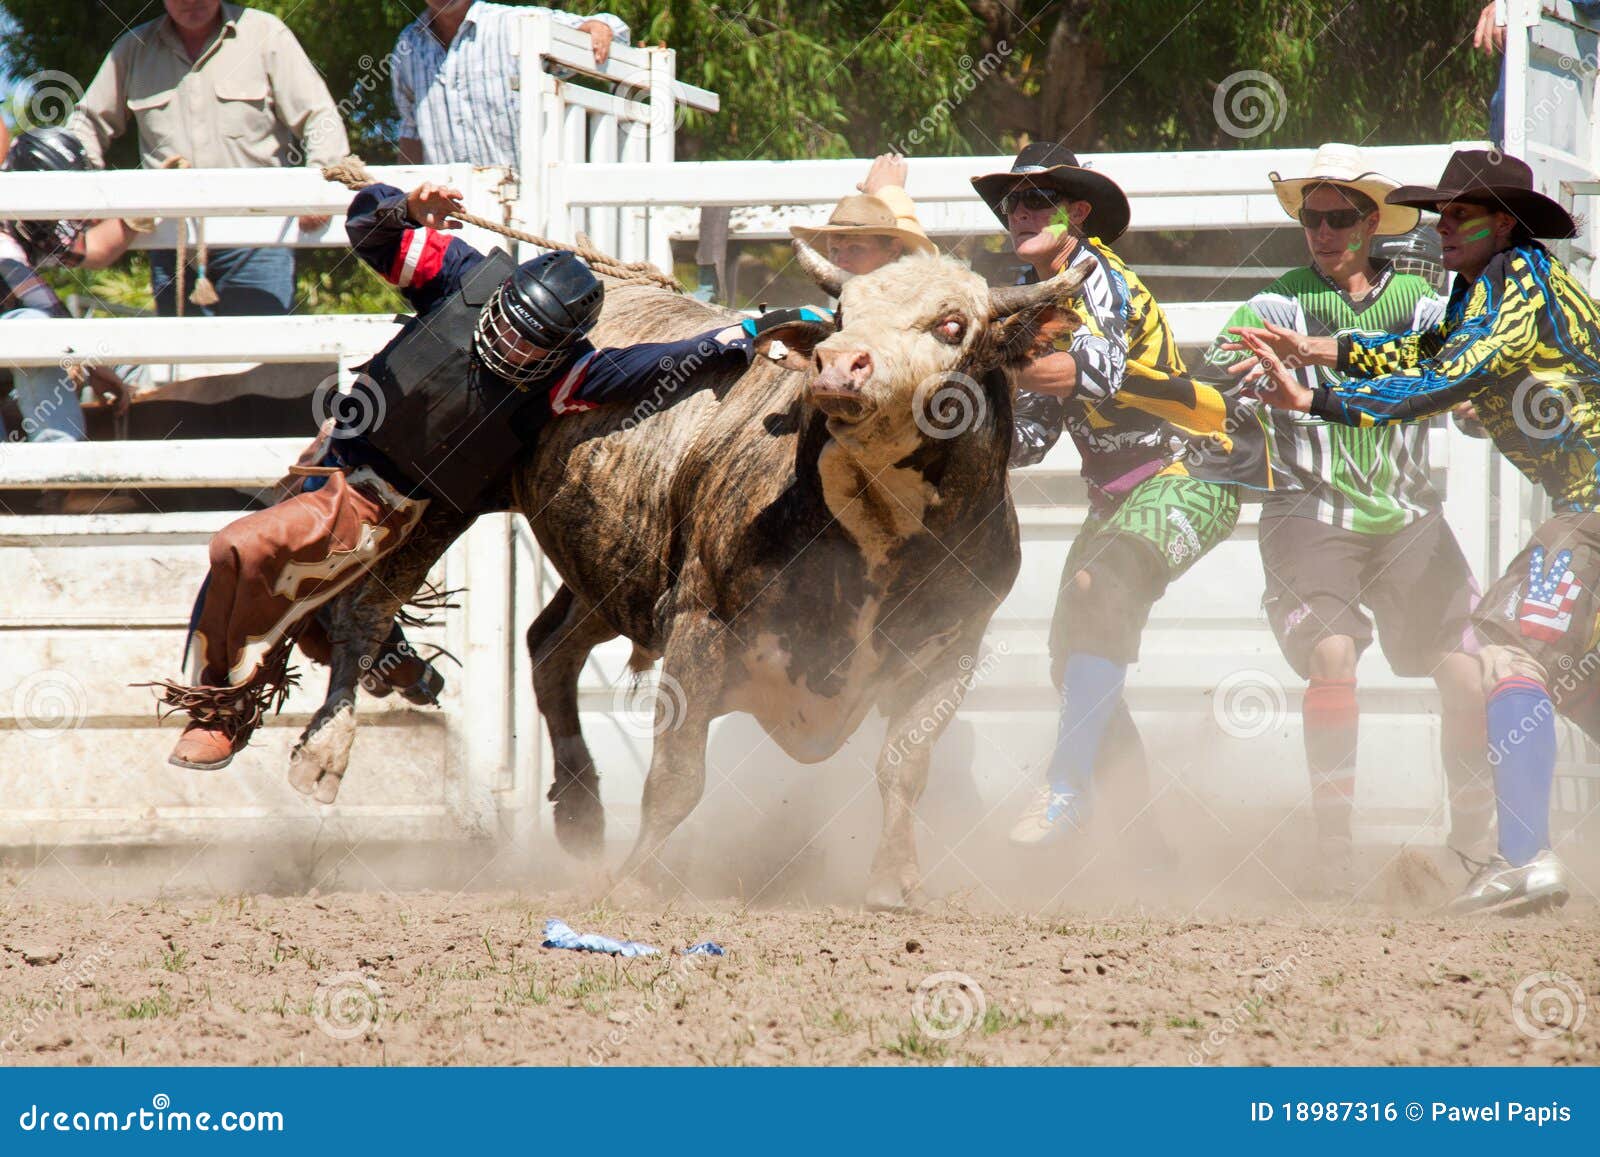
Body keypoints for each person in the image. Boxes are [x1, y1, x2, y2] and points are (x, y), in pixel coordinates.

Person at [159, 178, 779, 771]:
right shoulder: (458, 274)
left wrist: (742, 333)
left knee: (240, 547)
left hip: (377, 501)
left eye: (532, 343)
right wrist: (403, 205)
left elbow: (654, 363)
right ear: (503, 295)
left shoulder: (570, 376)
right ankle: (387, 659)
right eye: (511, 323)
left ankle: (221, 709)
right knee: (274, 576)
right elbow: (370, 232)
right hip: (334, 456)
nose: (512, 346)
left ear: (559, 348)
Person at [1229, 149, 1594, 915]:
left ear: (1507, 223)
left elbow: (1453, 371)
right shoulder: (1480, 287)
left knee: (1507, 651)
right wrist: (1318, 354)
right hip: (1583, 504)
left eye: (1460, 214)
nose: (1441, 228)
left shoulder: (1516, 276)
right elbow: (1422, 353)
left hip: (1590, 504)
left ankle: (1522, 857)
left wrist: (1323, 401)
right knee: (1578, 685)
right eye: (1439, 214)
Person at [1201, 143, 1492, 890]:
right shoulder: (1275, 303)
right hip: (1309, 508)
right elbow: (1225, 365)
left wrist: (1475, 401)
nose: (1322, 231)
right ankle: (1333, 849)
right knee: (1332, 659)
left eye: (1339, 217)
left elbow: (1461, 376)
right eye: (1311, 217)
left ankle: (1475, 847)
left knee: (1469, 673)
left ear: (1373, 225)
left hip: (1406, 517)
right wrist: (1235, 377)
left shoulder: (1427, 305)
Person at [970, 142, 1276, 848]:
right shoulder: (1032, 296)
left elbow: (1095, 368)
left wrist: (991, 362)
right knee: (1068, 656)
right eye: (1010, 201)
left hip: (1195, 470)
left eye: (1034, 199)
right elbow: (1034, 436)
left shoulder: (1094, 274)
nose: (1018, 211)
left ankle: (1066, 787)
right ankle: (1142, 837)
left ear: (1076, 212)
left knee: (1096, 588)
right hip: (1119, 494)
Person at [70, 1, 350, 316]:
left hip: (259, 238)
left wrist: (319, 190)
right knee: (182, 359)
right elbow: (85, 126)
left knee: (261, 357)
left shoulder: (265, 33)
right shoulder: (133, 49)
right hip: (170, 243)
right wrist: (82, 190)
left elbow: (319, 116)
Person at [1, 129, 143, 513]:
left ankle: (82, 480)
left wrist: (143, 210)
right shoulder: (6, 229)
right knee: (33, 332)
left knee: (122, 355)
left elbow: (91, 250)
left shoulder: (29, 225)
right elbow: (35, 300)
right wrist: (89, 363)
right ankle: (67, 477)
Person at [393, 1, 631, 167]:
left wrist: (595, 27)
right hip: (452, 219)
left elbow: (614, 30)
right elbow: (410, 130)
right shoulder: (408, 45)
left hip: (528, 209)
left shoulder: (514, 23)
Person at [790, 153, 937, 276]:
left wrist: (890, 194)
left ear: (893, 250)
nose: (841, 262)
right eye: (834, 250)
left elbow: (931, 271)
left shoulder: (915, 304)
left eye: (855, 248)